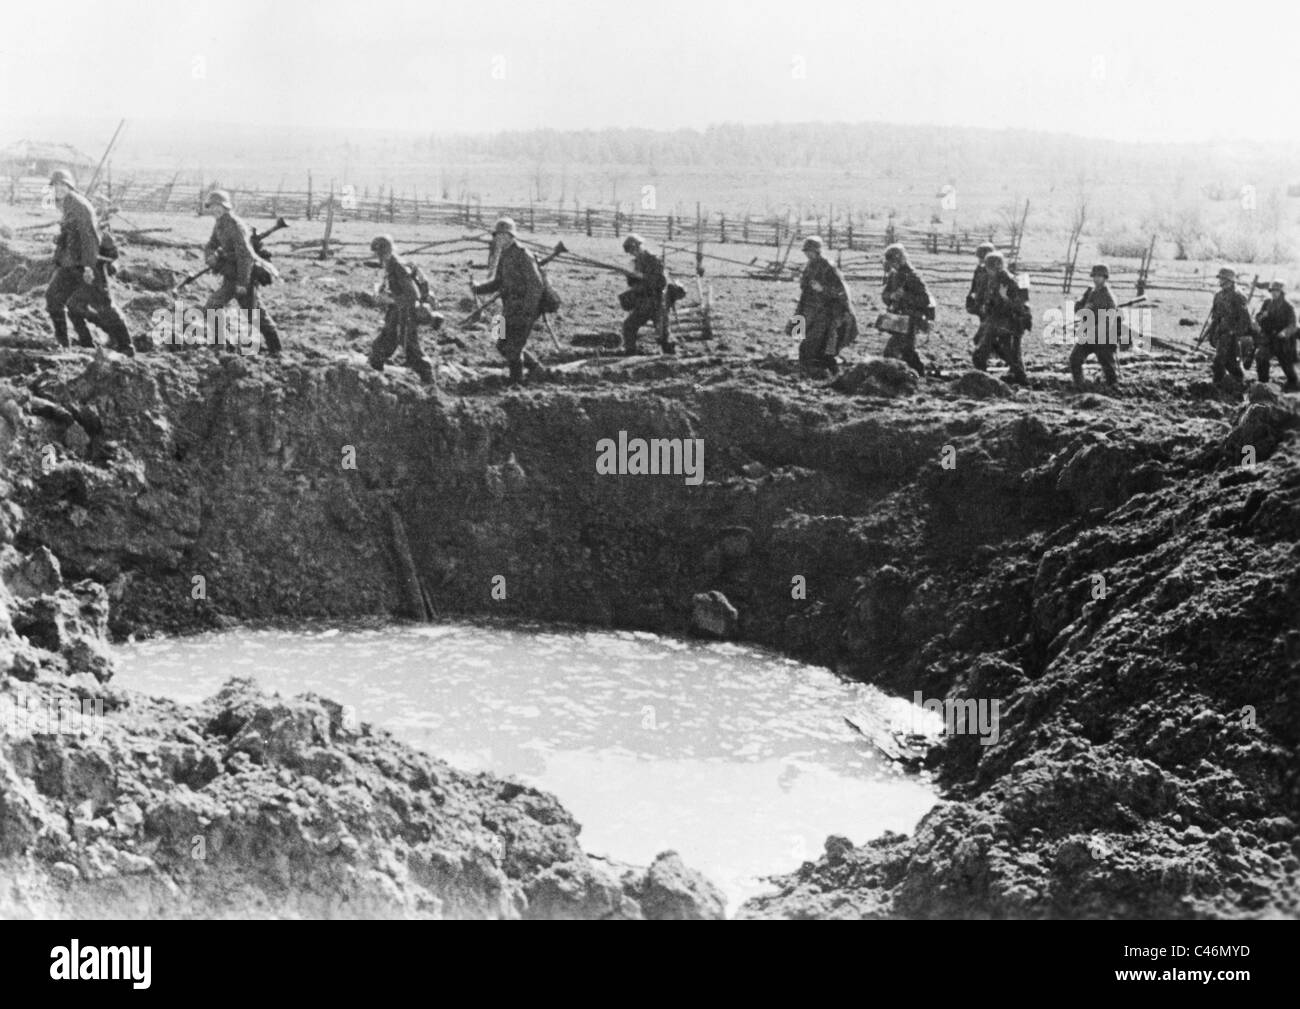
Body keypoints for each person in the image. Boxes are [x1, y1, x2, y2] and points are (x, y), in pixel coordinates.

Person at [44, 169, 133, 355]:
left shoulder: (79, 205)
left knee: (104, 305)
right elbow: (73, 234)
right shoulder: (68, 204)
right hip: (70, 264)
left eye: (62, 185)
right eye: (55, 185)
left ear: (70, 186)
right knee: (55, 298)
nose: (58, 189)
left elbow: (89, 238)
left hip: (87, 264)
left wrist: (88, 266)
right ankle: (64, 344)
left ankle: (126, 346)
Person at [202, 189, 282, 355]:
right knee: (213, 305)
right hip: (231, 275)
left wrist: (242, 284)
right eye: (212, 207)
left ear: (225, 207)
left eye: (218, 206)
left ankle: (276, 349)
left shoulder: (236, 226)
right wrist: (210, 256)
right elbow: (211, 244)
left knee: (255, 314)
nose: (215, 210)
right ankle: (220, 345)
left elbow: (245, 256)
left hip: (242, 276)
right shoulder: (220, 224)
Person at [472, 217, 544, 386]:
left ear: (510, 236)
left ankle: (516, 382)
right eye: (496, 236)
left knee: (513, 347)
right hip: (509, 308)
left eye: (501, 235)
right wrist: (478, 288)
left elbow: (537, 285)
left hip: (524, 310)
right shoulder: (504, 255)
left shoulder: (523, 254)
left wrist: (527, 311)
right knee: (500, 342)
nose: (498, 239)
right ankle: (535, 368)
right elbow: (498, 282)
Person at [367, 235, 435, 384]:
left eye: (377, 253)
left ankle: (430, 384)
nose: (376, 257)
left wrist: (388, 299)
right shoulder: (392, 265)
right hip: (397, 313)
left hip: (406, 315)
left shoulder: (397, 266)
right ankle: (376, 383)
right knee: (380, 348)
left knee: (411, 350)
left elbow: (412, 295)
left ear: (382, 252)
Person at [787, 236, 857, 372]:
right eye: (806, 251)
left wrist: (822, 289)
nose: (807, 254)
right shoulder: (810, 265)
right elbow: (804, 285)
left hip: (825, 311)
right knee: (797, 334)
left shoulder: (829, 266)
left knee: (813, 345)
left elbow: (841, 292)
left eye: (810, 251)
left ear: (817, 251)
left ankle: (820, 367)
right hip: (807, 306)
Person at [971, 251, 1029, 385]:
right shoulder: (993, 279)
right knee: (982, 352)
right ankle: (984, 381)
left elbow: (1020, 306)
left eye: (989, 267)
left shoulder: (1009, 281)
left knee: (1012, 356)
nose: (988, 270)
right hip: (996, 321)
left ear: (997, 266)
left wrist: (1005, 298)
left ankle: (1022, 382)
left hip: (1010, 324)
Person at [619, 234, 675, 356]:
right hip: (643, 303)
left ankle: (673, 359)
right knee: (629, 326)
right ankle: (630, 353)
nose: (631, 254)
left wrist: (643, 276)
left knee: (663, 335)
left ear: (638, 247)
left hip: (657, 303)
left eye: (632, 251)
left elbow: (661, 281)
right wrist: (630, 275)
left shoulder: (654, 260)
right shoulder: (636, 262)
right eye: (630, 252)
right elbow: (633, 284)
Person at [879, 243, 930, 375]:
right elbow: (885, 296)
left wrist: (905, 296)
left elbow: (925, 300)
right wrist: (891, 296)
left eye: (894, 261)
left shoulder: (913, 277)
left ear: (901, 259)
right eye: (891, 262)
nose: (893, 265)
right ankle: (919, 373)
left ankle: (903, 376)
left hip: (910, 319)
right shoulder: (893, 275)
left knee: (891, 351)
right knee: (907, 351)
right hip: (897, 319)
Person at [1068, 263, 1119, 387]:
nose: (1096, 279)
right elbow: (1077, 308)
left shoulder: (1109, 298)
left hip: (1103, 337)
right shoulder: (1090, 291)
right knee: (1074, 359)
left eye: (1100, 276)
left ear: (1105, 278)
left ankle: (1113, 389)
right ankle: (1079, 385)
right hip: (1088, 332)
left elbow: (1107, 322)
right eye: (1095, 276)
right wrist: (1084, 308)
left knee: (1107, 365)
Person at [1205, 267, 1250, 388]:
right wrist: (1212, 331)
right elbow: (1215, 316)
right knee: (1230, 363)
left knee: (1220, 361)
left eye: (1222, 279)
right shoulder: (1218, 295)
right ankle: (1238, 383)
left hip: (1232, 335)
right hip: (1221, 333)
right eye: (1220, 279)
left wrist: (1233, 332)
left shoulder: (1239, 296)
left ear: (1229, 280)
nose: (1220, 282)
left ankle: (1217, 386)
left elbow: (1245, 320)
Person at [1252, 279, 1299, 391]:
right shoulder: (1267, 303)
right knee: (1261, 357)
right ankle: (1263, 384)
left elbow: (1293, 325)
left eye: (1276, 291)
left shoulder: (1288, 307)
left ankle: (1294, 385)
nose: (1274, 293)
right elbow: (1258, 317)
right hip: (1269, 339)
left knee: (1287, 367)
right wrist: (1261, 316)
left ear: (1282, 292)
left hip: (1283, 342)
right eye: (1272, 290)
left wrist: (1284, 332)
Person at [965, 242, 996, 324]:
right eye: (979, 258)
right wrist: (971, 295)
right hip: (981, 300)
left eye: (981, 258)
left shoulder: (994, 270)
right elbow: (974, 284)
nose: (980, 260)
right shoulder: (979, 269)